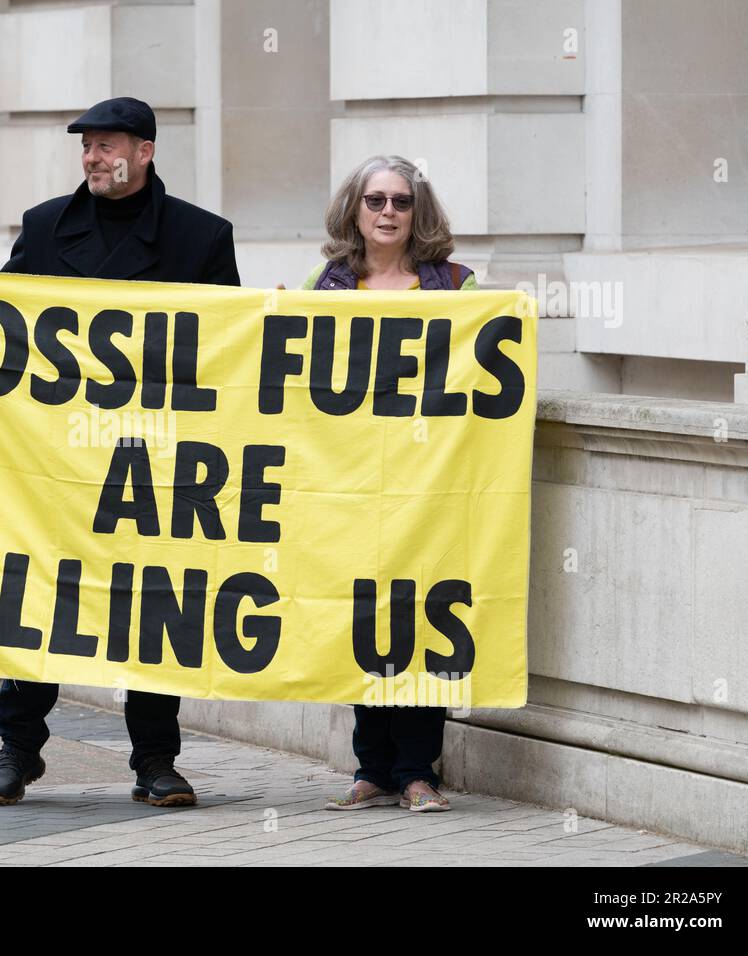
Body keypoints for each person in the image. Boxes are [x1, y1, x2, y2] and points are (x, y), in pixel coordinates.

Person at [0, 97, 239, 807]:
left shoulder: (202, 237)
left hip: (152, 461)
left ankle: (155, 761)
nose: (93, 158)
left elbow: (229, 347)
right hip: (53, 462)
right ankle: (18, 750)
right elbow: (1, 316)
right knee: (36, 593)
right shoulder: (47, 226)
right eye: (86, 147)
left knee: (153, 604)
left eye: (108, 146)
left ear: (145, 151)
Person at [307, 154, 476, 813]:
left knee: (422, 621)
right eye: (374, 200)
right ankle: (371, 767)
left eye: (400, 202)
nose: (387, 212)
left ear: (418, 212)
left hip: (426, 483)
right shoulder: (324, 288)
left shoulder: (456, 288)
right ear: (354, 209)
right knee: (363, 618)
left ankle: (417, 771)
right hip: (350, 483)